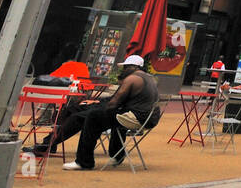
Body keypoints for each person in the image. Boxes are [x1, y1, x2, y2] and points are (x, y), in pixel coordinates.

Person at [31, 55, 159, 170]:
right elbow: (118, 102)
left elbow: (114, 103)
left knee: (91, 117)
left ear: (133, 67)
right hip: (142, 117)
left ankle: (84, 161)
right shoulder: (148, 78)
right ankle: (117, 155)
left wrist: (94, 108)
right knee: (84, 112)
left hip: (133, 117)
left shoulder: (132, 79)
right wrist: (95, 105)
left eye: (125, 67)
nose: (123, 70)